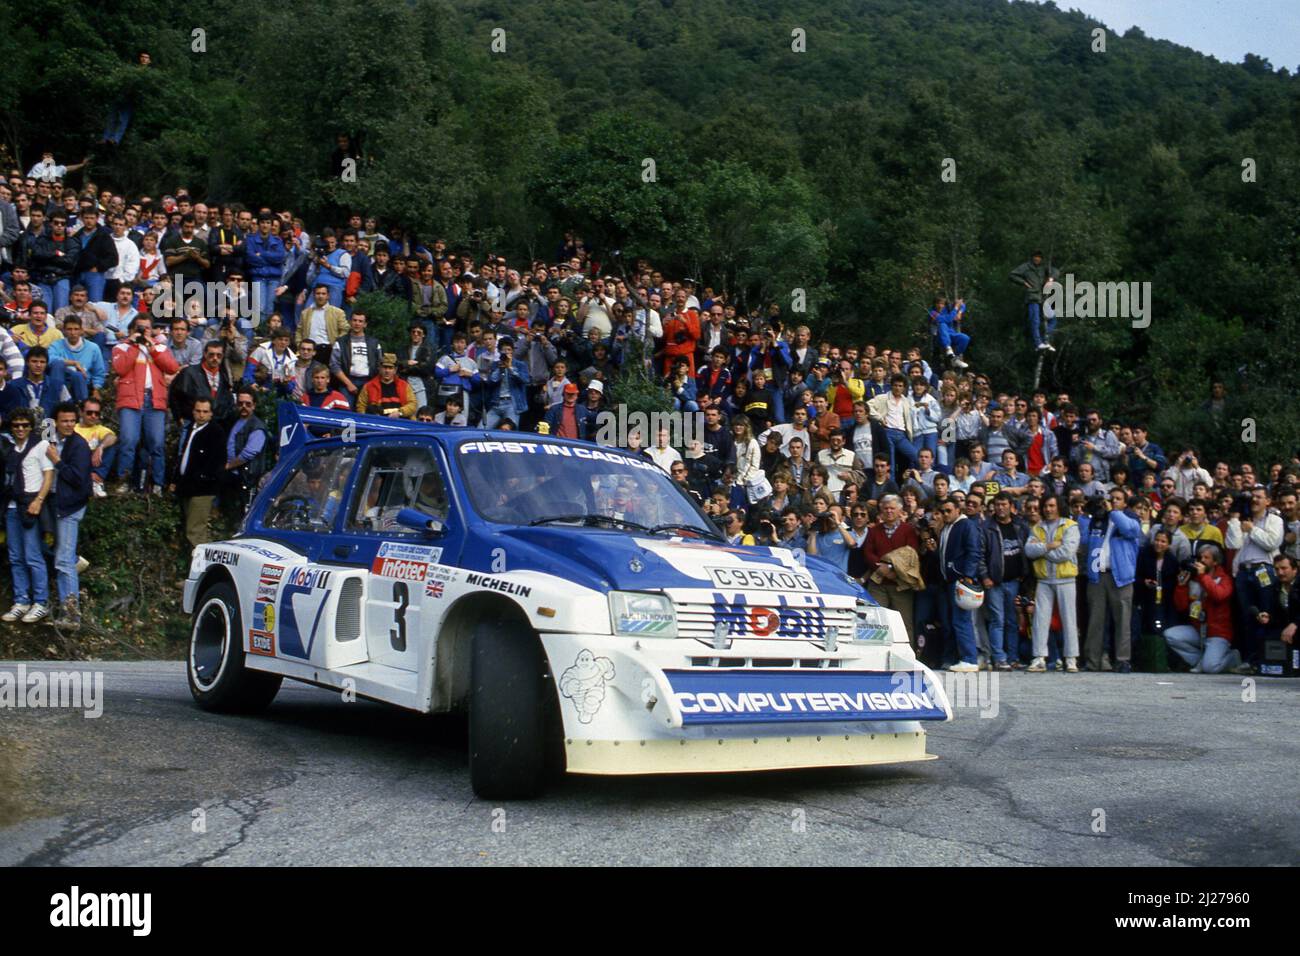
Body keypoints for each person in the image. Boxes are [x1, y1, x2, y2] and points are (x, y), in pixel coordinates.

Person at [112, 315, 179, 493]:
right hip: (131, 399)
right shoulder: (122, 346)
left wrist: (151, 347)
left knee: (156, 443)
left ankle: (157, 484)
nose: (143, 331)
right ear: (132, 330)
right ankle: (123, 481)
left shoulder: (160, 347)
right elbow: (120, 369)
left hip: (154, 399)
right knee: (128, 441)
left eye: (147, 328)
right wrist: (134, 345)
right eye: (139, 328)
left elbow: (172, 367)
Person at [1082, 488, 1143, 673]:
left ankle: (1122, 660)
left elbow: (1130, 530)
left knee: (1123, 621)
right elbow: (1087, 543)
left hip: (1121, 577)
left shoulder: (1130, 519)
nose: (1113, 501)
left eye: (1118, 499)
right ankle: (1092, 661)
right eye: (1111, 498)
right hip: (1097, 575)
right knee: (1095, 621)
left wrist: (1114, 512)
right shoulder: (1097, 520)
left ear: (1125, 503)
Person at [2, 409, 54, 623]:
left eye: (24, 425)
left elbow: (48, 474)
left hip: (31, 504)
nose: (21, 429)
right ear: (11, 428)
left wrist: (38, 500)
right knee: (16, 556)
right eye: (16, 425)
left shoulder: (40, 446)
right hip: (12, 506)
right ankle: (21, 600)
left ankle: (40, 601)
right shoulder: (11, 449)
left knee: (33, 555)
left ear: (31, 427)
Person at [1225, 485, 1284, 670]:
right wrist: (1235, 520)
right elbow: (1232, 543)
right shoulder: (1244, 520)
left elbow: (1272, 543)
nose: (1255, 500)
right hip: (1244, 571)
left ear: (1268, 501)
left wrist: (1252, 530)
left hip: (1263, 569)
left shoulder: (1273, 519)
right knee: (1247, 616)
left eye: (1259, 497)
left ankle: (1264, 659)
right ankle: (1250, 660)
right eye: (1253, 498)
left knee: (1265, 613)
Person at [46, 402, 92, 628]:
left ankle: (72, 614)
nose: (68, 425)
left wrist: (57, 461)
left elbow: (77, 478)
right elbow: (44, 423)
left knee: (62, 560)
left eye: (72, 421)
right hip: (50, 501)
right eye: (64, 421)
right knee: (48, 551)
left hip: (70, 505)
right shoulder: (51, 434)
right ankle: (76, 559)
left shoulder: (79, 445)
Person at [1166, 544, 1244, 673]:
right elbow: (1181, 606)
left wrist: (1203, 577)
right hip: (1198, 630)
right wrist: (1181, 586)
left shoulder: (1224, 578)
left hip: (1218, 633)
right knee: (1171, 635)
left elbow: (1219, 596)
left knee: (1211, 668)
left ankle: (1232, 658)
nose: (1201, 560)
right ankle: (1200, 661)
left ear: (1215, 562)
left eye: (1206, 557)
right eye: (1200, 557)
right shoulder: (1194, 579)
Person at [1024, 494, 1081, 672]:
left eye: (1051, 506)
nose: (1048, 509)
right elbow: (1028, 550)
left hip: (1065, 578)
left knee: (1069, 619)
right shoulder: (1037, 527)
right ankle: (1039, 657)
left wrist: (1041, 549)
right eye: (1046, 506)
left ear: (1058, 507)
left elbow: (1066, 552)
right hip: (1044, 578)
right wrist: (1049, 546)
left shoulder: (1070, 526)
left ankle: (1071, 658)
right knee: (1040, 619)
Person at [863, 494, 921, 641]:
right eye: (886, 508)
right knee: (875, 621)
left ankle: (908, 657)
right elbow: (868, 552)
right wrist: (881, 568)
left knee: (903, 622)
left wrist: (892, 570)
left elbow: (911, 553)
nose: (889, 511)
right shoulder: (874, 531)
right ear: (881, 511)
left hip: (900, 584)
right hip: (878, 584)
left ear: (900, 510)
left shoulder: (908, 530)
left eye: (892, 508)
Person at [982, 492, 1029, 669]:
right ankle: (999, 658)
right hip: (994, 582)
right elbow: (980, 555)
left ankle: (1013, 657)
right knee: (997, 620)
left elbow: (1026, 550)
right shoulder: (987, 527)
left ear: (1011, 506)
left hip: (1015, 580)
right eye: (998, 505)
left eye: (1004, 504)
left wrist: (1024, 573)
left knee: (1012, 620)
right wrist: (985, 576)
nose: (1000, 508)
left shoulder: (1020, 526)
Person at [172, 396, 227, 548]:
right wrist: (176, 480)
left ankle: (200, 570)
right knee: (190, 531)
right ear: (193, 411)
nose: (201, 414)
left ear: (211, 414)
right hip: (187, 486)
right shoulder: (191, 428)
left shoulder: (216, 432)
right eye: (198, 411)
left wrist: (203, 479)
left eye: (205, 411)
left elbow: (218, 462)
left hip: (202, 489)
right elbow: (183, 455)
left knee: (196, 533)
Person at [937, 495, 984, 671]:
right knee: (953, 621)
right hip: (949, 580)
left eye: (949, 511)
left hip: (960, 580)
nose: (945, 514)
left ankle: (969, 659)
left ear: (958, 510)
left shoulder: (966, 526)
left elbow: (974, 552)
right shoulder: (948, 527)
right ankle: (959, 657)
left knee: (961, 620)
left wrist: (968, 576)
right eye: (943, 511)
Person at [223, 388, 269, 514]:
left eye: (248, 404)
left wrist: (228, 465)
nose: (243, 407)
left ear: (254, 405)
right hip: (233, 477)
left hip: (247, 478)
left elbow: (249, 453)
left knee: (241, 516)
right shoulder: (234, 421)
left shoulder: (257, 426)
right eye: (240, 403)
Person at [1009, 250, 1058, 351]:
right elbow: (1012, 275)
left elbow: (1056, 271)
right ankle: (1038, 343)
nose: (1037, 259)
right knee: (1035, 321)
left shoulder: (1043, 267)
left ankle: (1046, 341)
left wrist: (1051, 279)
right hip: (1032, 297)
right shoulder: (1026, 267)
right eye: (1035, 257)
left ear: (1041, 258)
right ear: (1032, 257)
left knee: (1053, 318)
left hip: (1043, 296)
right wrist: (1024, 283)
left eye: (1039, 257)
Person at [357, 353, 418, 419]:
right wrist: (370, 419)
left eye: (390, 368)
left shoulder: (404, 386)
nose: (387, 371)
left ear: (395, 370)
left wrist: (400, 412)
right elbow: (361, 407)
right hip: (377, 422)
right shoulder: (369, 386)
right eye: (385, 367)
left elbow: (413, 404)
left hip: (401, 421)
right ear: (380, 368)